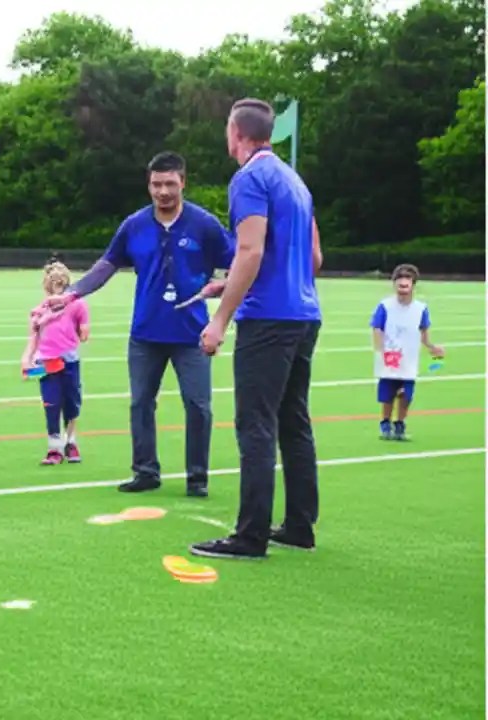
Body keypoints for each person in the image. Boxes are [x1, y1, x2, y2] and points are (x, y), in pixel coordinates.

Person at [49, 152, 233, 497]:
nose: (163, 191)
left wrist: (222, 288)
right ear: (148, 185)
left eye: (170, 184)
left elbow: (238, 262)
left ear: (183, 183)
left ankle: (197, 477)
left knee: (198, 405)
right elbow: (107, 264)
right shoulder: (134, 225)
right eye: (156, 184)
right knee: (141, 403)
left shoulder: (204, 224)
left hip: (191, 333)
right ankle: (145, 471)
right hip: (146, 333)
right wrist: (73, 293)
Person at [191, 98, 325, 560]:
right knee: (294, 421)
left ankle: (249, 536)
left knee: (256, 424)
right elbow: (313, 259)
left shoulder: (249, 178)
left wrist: (220, 318)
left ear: (236, 132)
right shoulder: (295, 181)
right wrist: (230, 285)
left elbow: (249, 251)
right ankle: (300, 525)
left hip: (268, 318)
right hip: (304, 314)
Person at [21, 261, 90, 464]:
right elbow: (33, 337)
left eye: (60, 278)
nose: (57, 281)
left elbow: (84, 333)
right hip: (47, 361)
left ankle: (71, 441)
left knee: (72, 403)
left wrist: (80, 330)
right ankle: (54, 447)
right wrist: (26, 359)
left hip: (69, 360)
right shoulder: (39, 310)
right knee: (51, 403)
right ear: (46, 284)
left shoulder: (77, 304)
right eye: (53, 279)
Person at [372, 263, 445, 441]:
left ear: (413, 285)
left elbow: (423, 331)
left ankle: (400, 424)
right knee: (387, 394)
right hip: (390, 357)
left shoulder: (420, 308)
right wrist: (381, 351)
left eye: (406, 284)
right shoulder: (385, 306)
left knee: (406, 394)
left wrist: (432, 347)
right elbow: (377, 328)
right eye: (399, 283)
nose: (403, 288)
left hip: (409, 358)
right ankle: (385, 423)